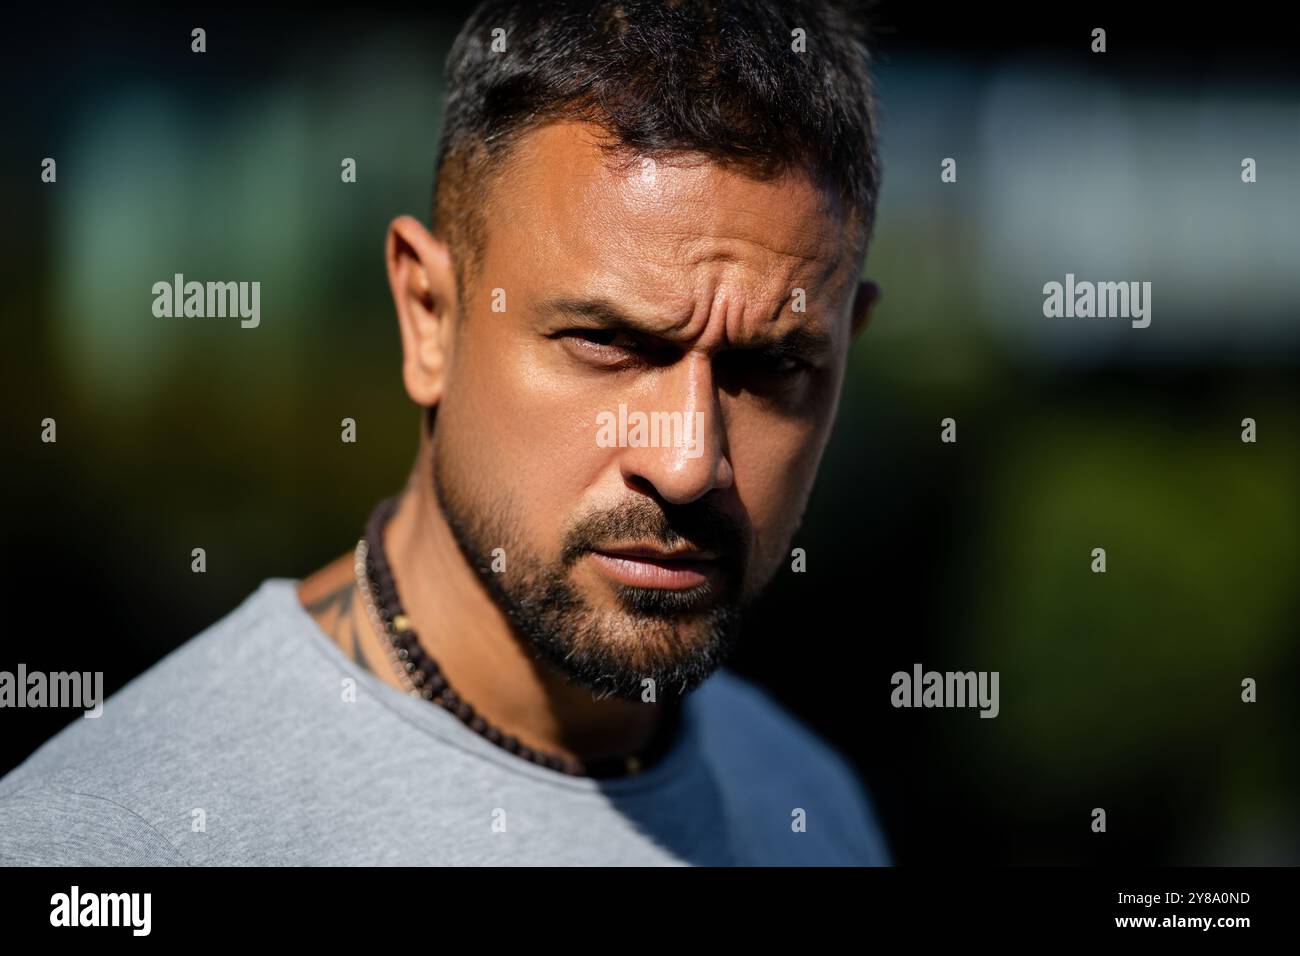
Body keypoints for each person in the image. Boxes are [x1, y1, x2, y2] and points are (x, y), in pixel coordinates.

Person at [0, 0, 888, 865]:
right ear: (428, 316)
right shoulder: (119, 836)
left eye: (771, 367)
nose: (689, 462)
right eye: (606, 343)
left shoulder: (809, 800)